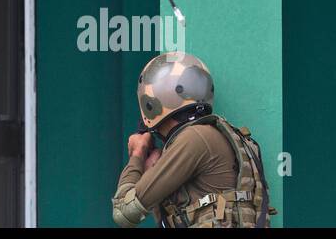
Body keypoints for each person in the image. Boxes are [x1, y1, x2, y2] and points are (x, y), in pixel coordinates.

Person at [111, 52, 273, 228]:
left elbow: (124, 213)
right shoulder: (209, 135)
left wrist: (137, 153)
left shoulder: (194, 139)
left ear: (152, 102)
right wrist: (153, 168)